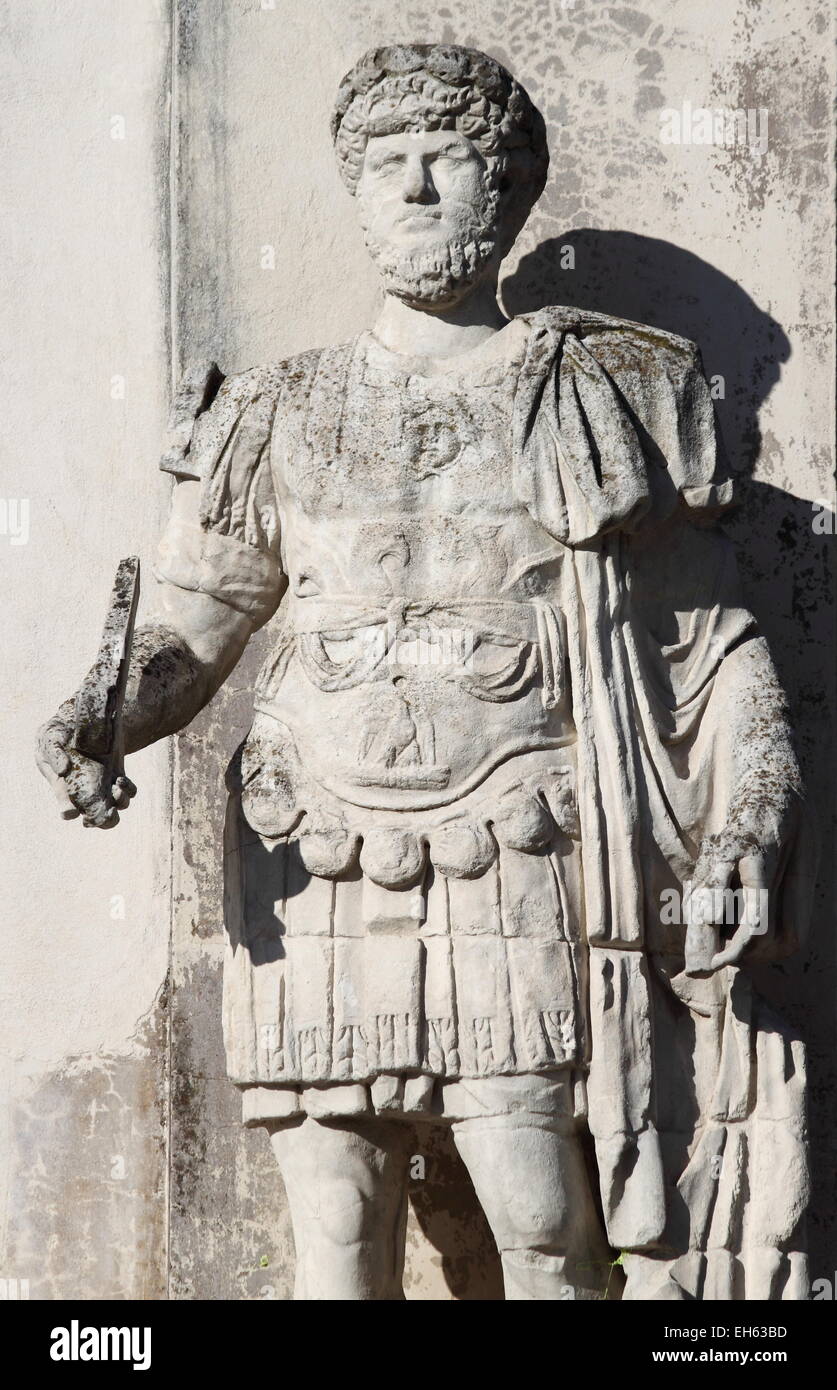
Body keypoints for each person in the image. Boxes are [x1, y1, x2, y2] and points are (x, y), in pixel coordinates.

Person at [37, 43, 813, 1301]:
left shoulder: (601, 397)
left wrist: (748, 819)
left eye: (446, 161)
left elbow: (716, 649)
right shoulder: (278, 412)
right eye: (384, 165)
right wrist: (100, 715)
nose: (413, 189)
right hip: (314, 851)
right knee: (334, 1226)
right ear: (351, 193)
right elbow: (189, 621)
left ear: (506, 195)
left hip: (517, 841)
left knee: (542, 1217)